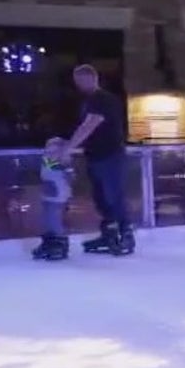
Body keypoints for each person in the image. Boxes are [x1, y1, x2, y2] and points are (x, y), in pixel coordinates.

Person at [63, 64, 133, 256]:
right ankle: (109, 233)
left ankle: (126, 235)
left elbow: (90, 124)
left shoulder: (103, 99)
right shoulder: (89, 101)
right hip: (95, 156)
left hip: (110, 156)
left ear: (90, 78)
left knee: (114, 196)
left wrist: (69, 148)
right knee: (101, 198)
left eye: (79, 80)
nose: (77, 85)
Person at [31, 137, 74, 261]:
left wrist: (68, 195)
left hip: (58, 196)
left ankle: (59, 243)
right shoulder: (46, 161)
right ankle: (49, 241)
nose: (50, 153)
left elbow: (70, 177)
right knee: (46, 219)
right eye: (48, 150)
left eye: (54, 150)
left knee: (54, 219)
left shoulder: (63, 162)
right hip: (47, 195)